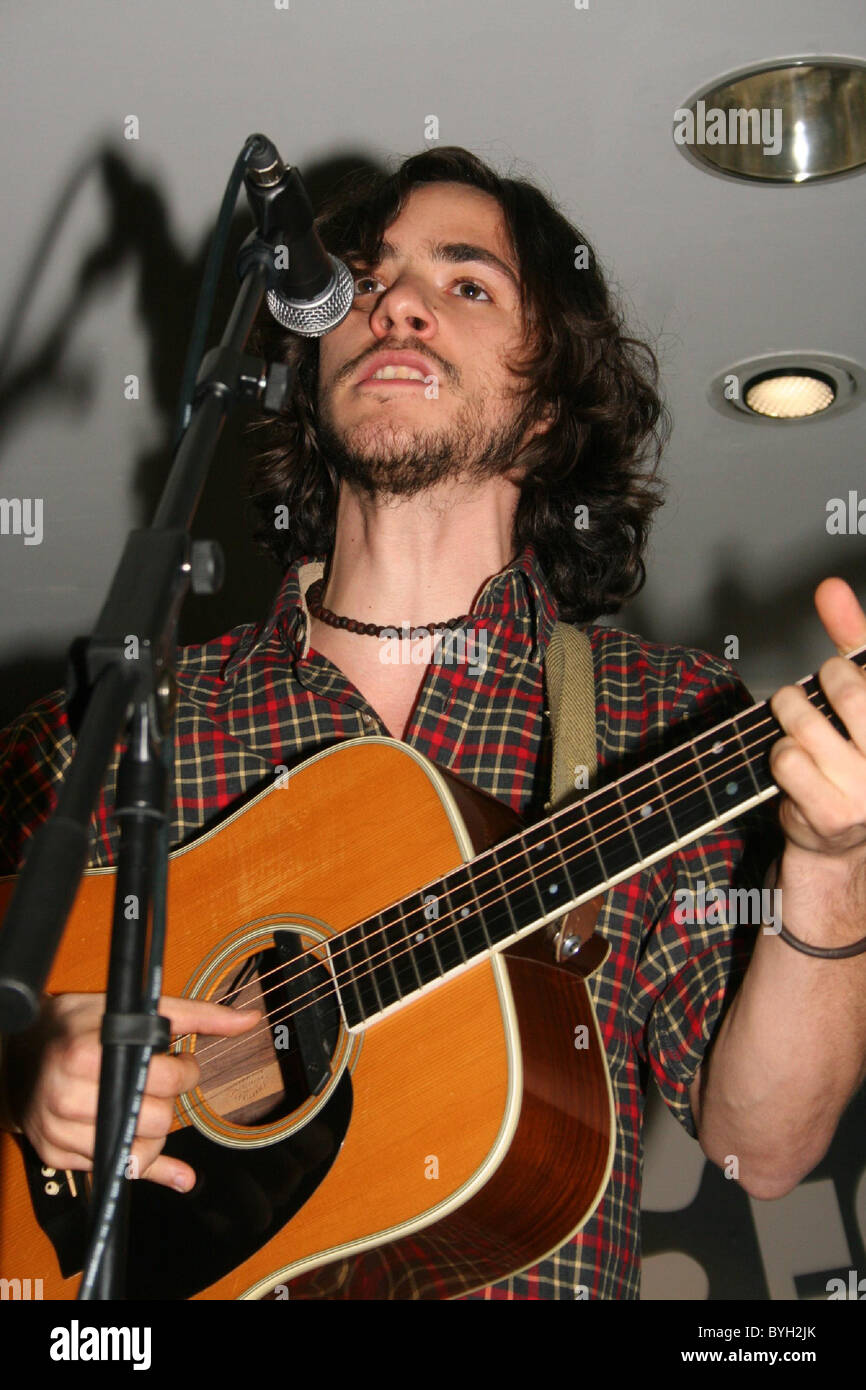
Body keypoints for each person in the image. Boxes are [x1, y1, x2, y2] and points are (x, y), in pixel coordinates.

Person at [1, 146, 865, 1300]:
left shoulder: (665, 718)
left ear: (549, 405)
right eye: (362, 281)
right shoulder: (113, 728)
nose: (395, 302)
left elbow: (760, 1149)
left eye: (466, 285)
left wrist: (828, 868)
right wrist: (25, 1069)